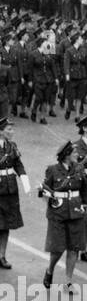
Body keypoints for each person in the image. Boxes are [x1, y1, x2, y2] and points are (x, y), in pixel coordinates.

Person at [41, 140, 87, 291]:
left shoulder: (79, 168)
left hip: (76, 213)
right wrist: (46, 195)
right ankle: (50, 270)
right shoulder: (52, 170)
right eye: (74, 153)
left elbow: (85, 189)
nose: (77, 155)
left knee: (74, 248)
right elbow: (44, 189)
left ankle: (68, 282)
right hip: (58, 214)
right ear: (66, 155)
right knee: (57, 248)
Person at [0, 114, 26, 271]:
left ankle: (2, 256)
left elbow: (18, 164)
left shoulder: (13, 146)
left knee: (6, 225)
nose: (12, 132)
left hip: (10, 190)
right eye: (9, 129)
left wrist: (24, 177)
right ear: (1, 131)